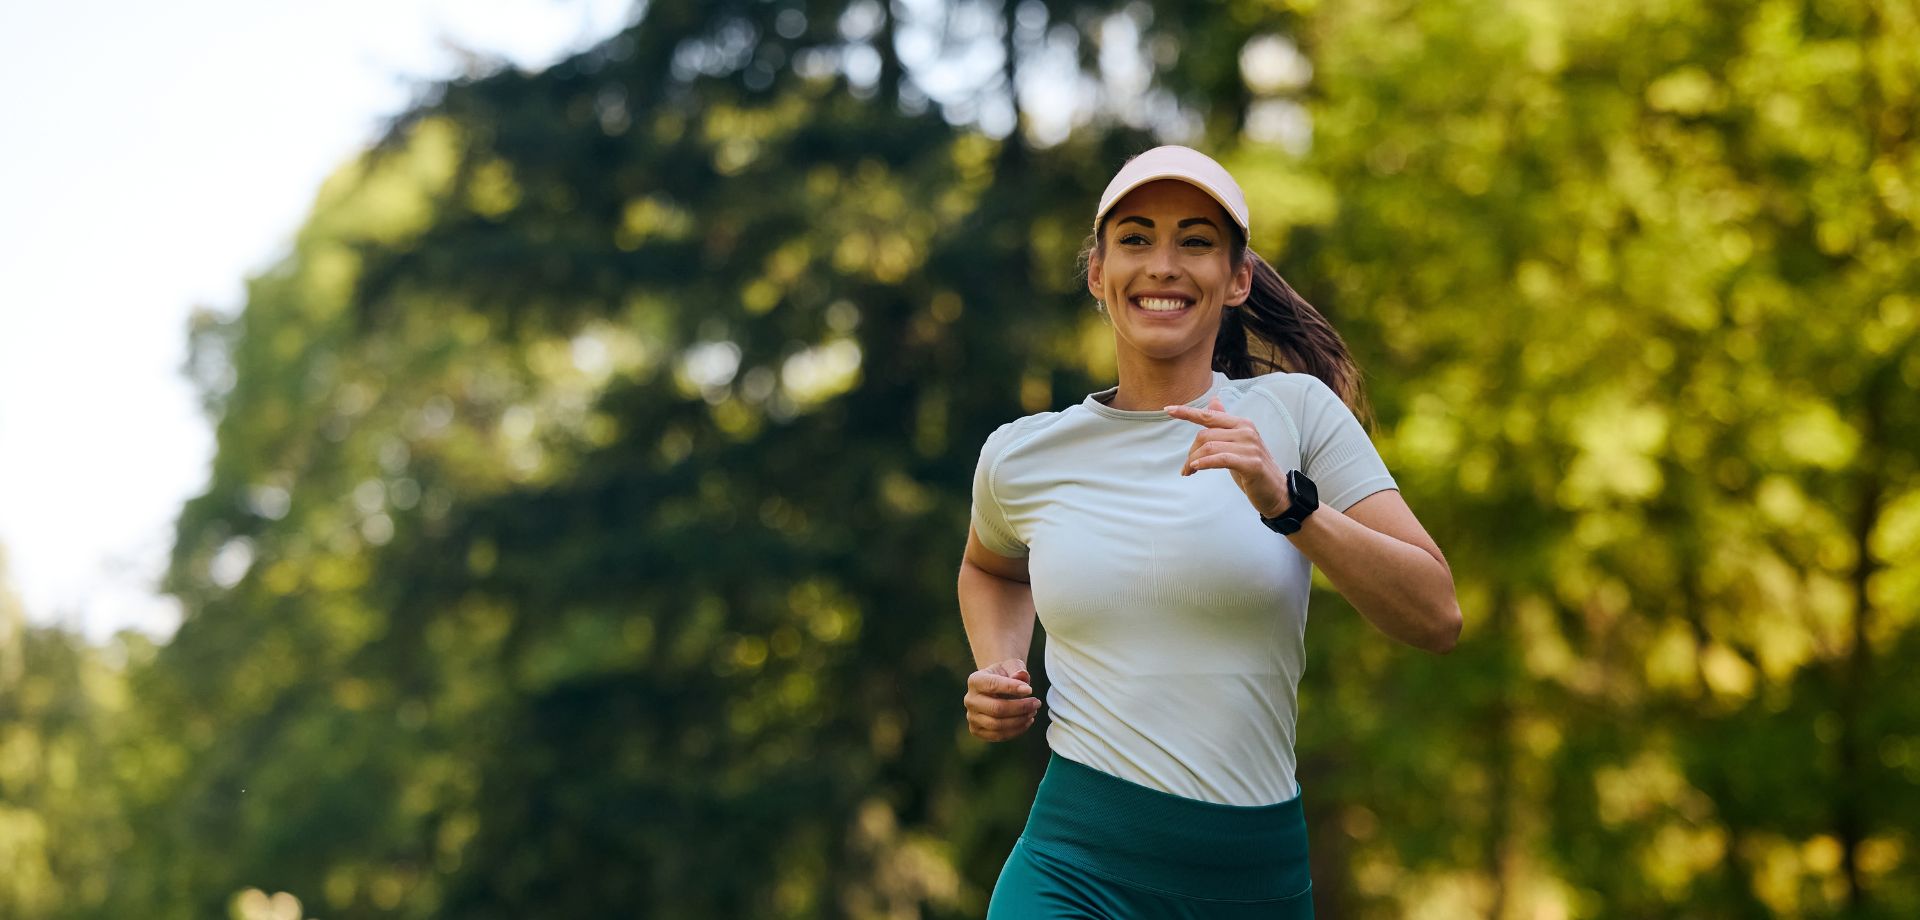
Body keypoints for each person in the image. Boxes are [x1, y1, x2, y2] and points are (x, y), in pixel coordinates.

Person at [958, 146, 1463, 918]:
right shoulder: (1024, 454)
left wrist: (1290, 506)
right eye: (1135, 239)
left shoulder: (1295, 414)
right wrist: (999, 664)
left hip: (1250, 882)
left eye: (1195, 241)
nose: (1163, 265)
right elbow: (992, 568)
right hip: (1075, 868)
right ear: (1098, 273)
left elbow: (1435, 615)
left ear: (1237, 279)